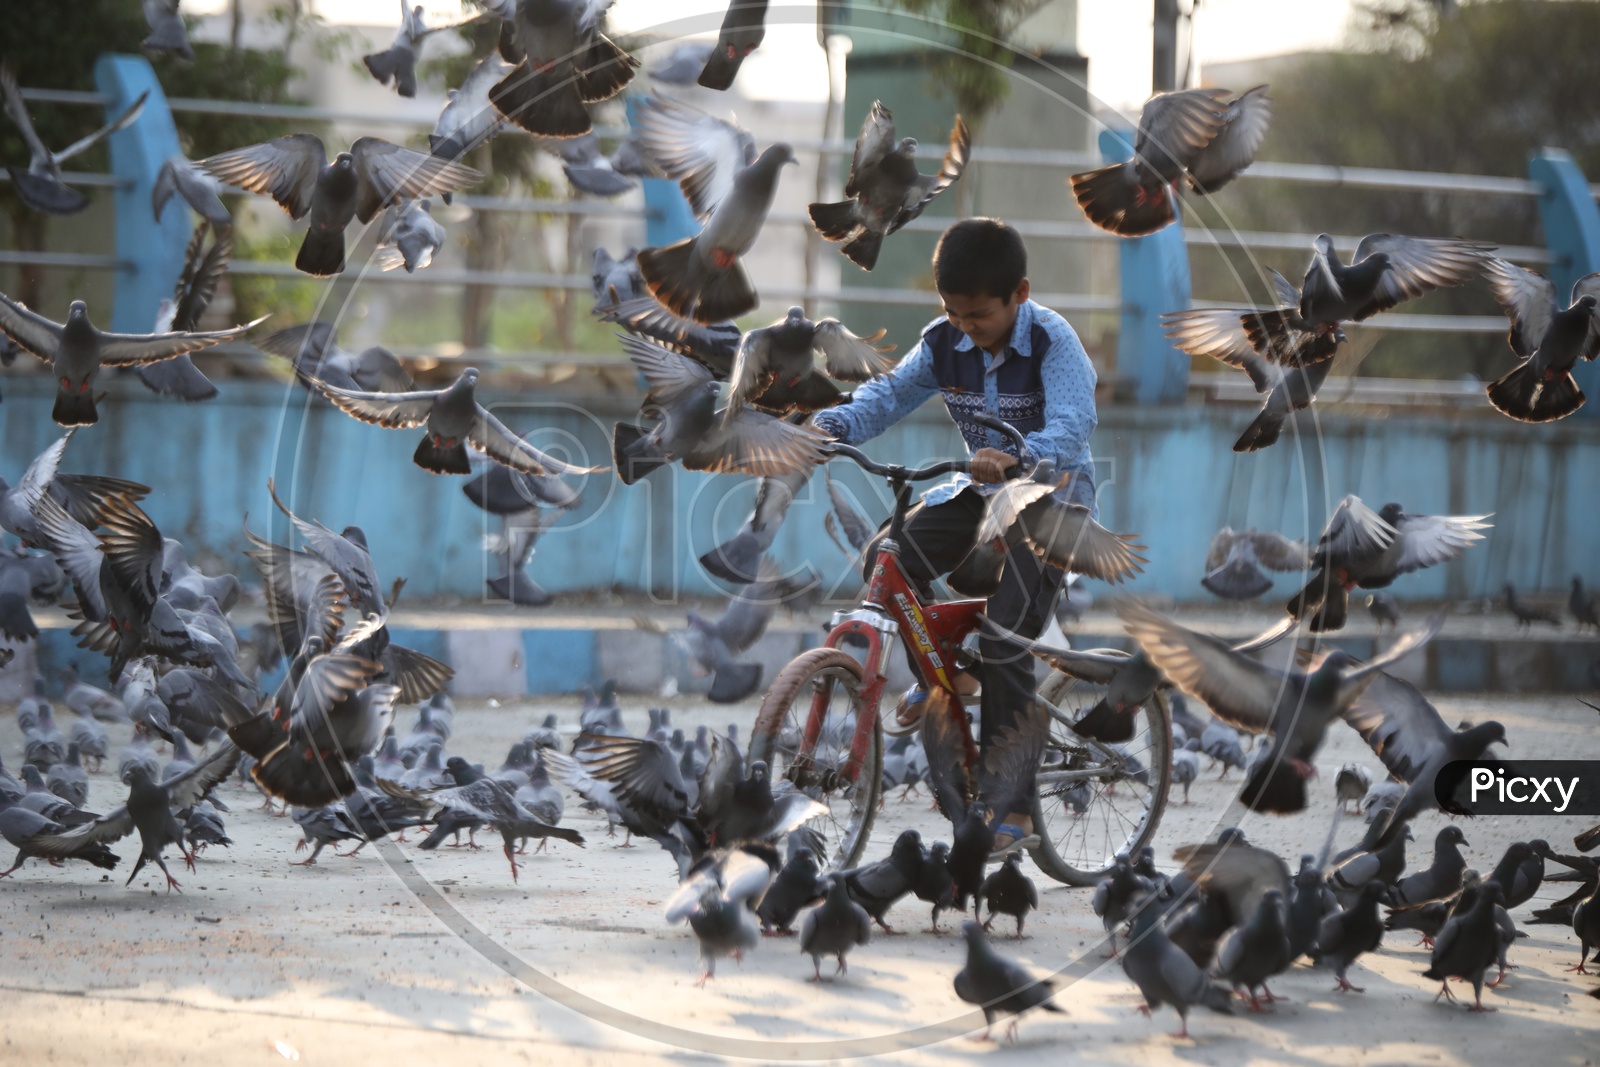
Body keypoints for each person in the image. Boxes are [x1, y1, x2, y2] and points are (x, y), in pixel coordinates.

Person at [809, 217, 1098, 858]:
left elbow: (1075, 425)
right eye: (953, 313)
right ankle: (945, 677)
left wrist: (1016, 453)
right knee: (887, 557)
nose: (965, 327)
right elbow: (884, 397)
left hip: (1053, 506)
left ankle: (1015, 808)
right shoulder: (943, 342)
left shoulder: (1054, 342)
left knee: (1004, 637)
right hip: (980, 496)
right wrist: (824, 428)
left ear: (1019, 294)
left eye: (979, 316)